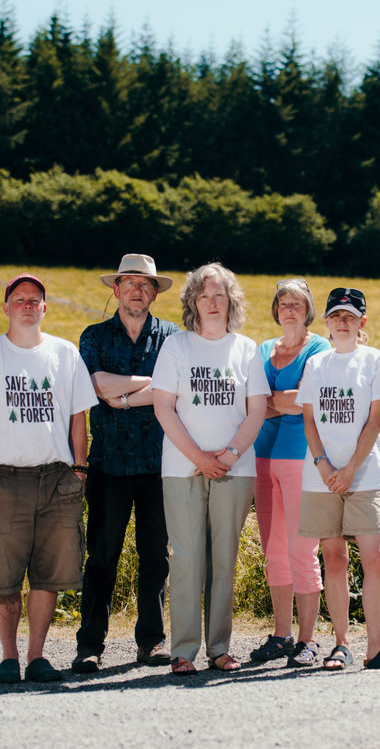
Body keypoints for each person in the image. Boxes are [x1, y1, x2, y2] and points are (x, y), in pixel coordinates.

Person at [0, 273, 98, 684]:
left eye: (34, 299)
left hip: (58, 479)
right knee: (4, 575)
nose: (27, 304)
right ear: (6, 308)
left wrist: (80, 469)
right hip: (8, 478)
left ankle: (37, 656)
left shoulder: (65, 353)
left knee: (48, 573)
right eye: (19, 299)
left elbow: (79, 416)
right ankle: (8, 658)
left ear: (45, 308)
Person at [151, 262, 270, 675]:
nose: (213, 302)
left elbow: (257, 411)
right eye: (205, 295)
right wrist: (199, 457)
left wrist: (229, 455)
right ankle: (183, 651)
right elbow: (163, 407)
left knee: (224, 560)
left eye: (220, 295)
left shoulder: (247, 349)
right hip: (182, 468)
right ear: (193, 302)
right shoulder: (176, 346)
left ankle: (219, 647)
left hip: (236, 469)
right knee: (185, 559)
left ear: (231, 301)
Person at [71, 254, 180, 674]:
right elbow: (95, 383)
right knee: (101, 557)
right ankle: (89, 646)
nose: (137, 289)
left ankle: (151, 642)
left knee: (156, 557)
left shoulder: (173, 338)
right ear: (115, 290)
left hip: (158, 464)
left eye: (145, 283)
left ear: (154, 292)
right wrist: (150, 388)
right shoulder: (94, 336)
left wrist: (124, 396)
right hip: (108, 465)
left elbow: (176, 388)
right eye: (129, 282)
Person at [296, 288, 380, 670]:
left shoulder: (377, 361)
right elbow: (309, 420)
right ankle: (341, 643)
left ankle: (375, 647)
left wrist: (349, 470)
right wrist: (325, 466)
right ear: (326, 322)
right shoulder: (316, 365)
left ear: (362, 322)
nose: (342, 321)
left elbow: (376, 420)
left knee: (375, 559)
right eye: (336, 315)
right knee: (334, 558)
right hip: (321, 478)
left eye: (350, 315)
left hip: (365, 476)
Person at [248, 278, 330, 667]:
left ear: (308, 308)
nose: (289, 309)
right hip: (263, 457)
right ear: (275, 309)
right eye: (282, 302)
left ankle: (308, 639)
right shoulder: (264, 348)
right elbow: (255, 401)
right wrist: (281, 401)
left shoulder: (318, 347)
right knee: (273, 551)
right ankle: (281, 634)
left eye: (296, 303)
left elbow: (305, 401)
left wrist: (274, 402)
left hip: (300, 458)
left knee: (302, 551)